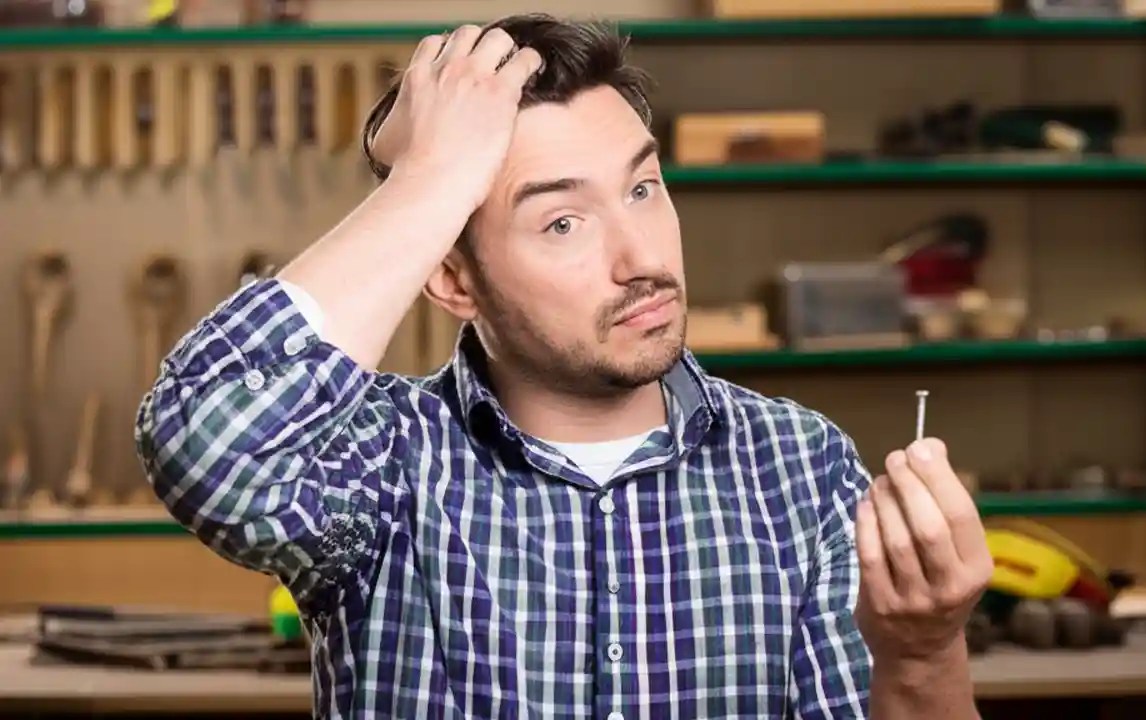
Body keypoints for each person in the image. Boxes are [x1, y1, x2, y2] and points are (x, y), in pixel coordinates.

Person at [135, 13, 993, 719]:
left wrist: (920, 657)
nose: (639, 257)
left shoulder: (800, 467)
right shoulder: (383, 469)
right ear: (452, 276)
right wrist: (427, 181)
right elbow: (204, 441)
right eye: (561, 223)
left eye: (642, 188)